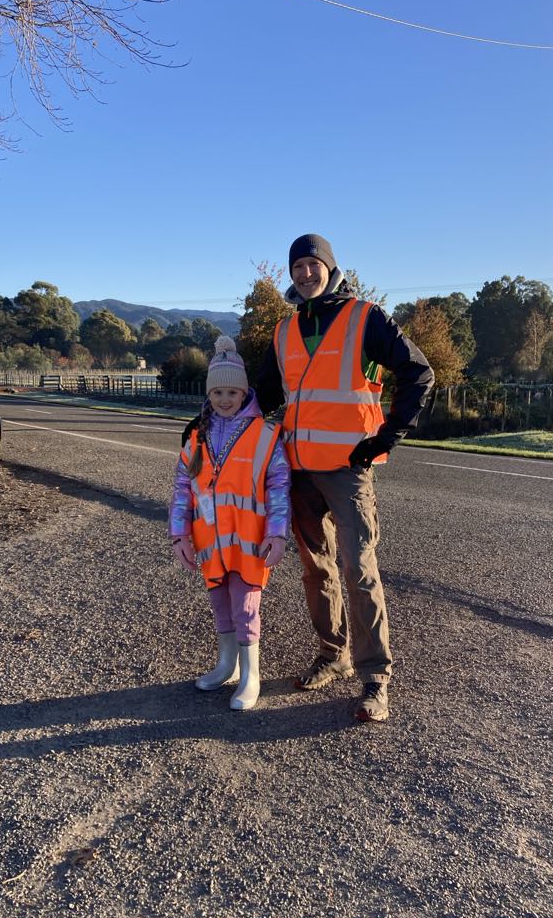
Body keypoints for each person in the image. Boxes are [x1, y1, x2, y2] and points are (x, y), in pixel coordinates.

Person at [255, 233, 435, 723]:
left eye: (314, 264)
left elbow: (418, 373)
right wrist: (211, 416)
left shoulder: (365, 317)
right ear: (291, 274)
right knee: (316, 569)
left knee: (358, 568)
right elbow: (261, 395)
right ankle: (333, 655)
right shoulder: (283, 331)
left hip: (348, 470)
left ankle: (375, 676)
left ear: (329, 268)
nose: (306, 274)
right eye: (298, 267)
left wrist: (387, 436)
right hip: (299, 471)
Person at [170, 335, 290, 711]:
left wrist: (277, 533)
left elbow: (279, 487)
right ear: (209, 394)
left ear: (245, 394)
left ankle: (251, 673)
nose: (224, 400)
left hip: (250, 542)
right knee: (219, 603)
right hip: (210, 542)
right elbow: (182, 489)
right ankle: (227, 665)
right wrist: (180, 536)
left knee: (245, 605)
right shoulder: (196, 437)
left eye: (232, 393)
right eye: (218, 392)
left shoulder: (266, 436)